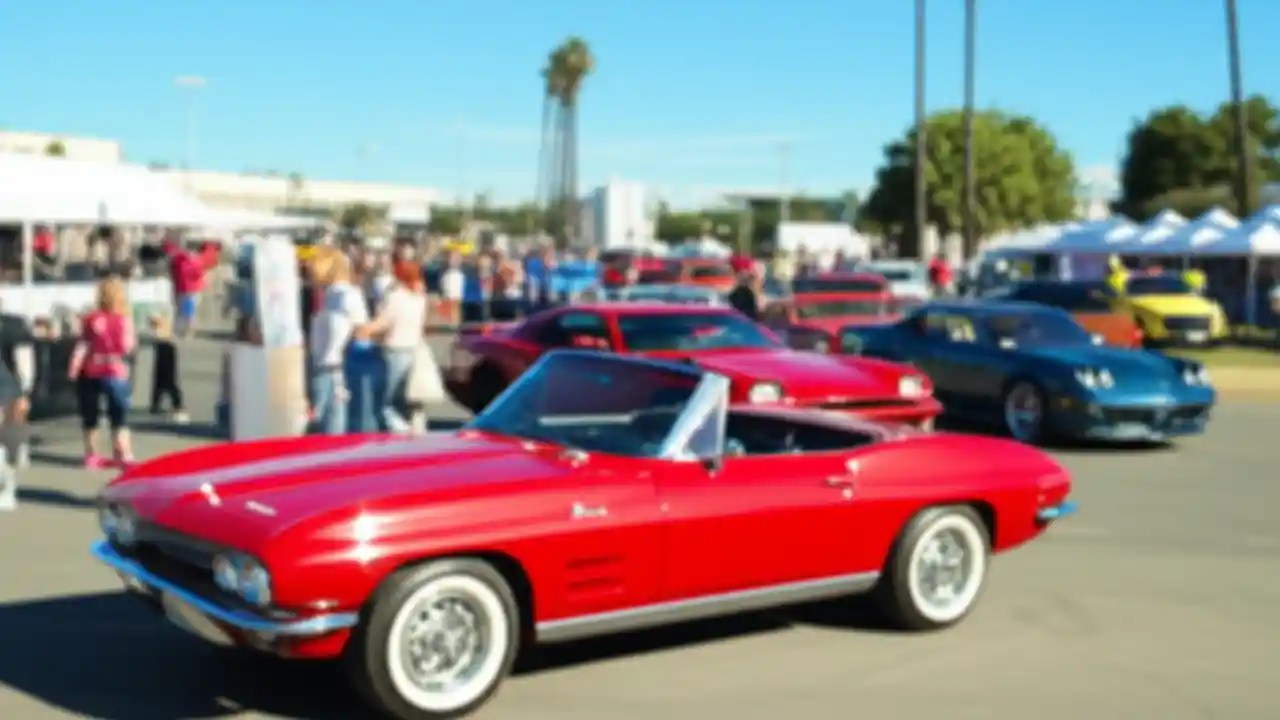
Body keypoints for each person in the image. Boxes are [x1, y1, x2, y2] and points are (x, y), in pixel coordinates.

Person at [68, 276, 137, 469]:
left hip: (92, 369)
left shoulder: (90, 318)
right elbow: (127, 347)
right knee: (119, 414)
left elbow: (82, 345)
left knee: (91, 415)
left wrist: (74, 367)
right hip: (115, 369)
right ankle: (123, 452)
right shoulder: (124, 319)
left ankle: (91, 454)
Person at [308, 249, 371, 435]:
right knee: (328, 420)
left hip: (334, 365)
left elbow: (362, 329)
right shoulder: (332, 295)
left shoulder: (345, 295)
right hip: (328, 363)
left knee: (328, 420)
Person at [366, 261, 428, 433]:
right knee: (408, 397)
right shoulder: (420, 298)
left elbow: (384, 322)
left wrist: (364, 329)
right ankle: (415, 430)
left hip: (395, 350)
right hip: (414, 348)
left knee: (388, 403)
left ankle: (400, 432)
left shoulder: (396, 296)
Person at [148, 312, 187, 424]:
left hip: (165, 343)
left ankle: (176, 403)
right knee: (160, 376)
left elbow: (159, 320)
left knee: (167, 377)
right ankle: (157, 403)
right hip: (163, 343)